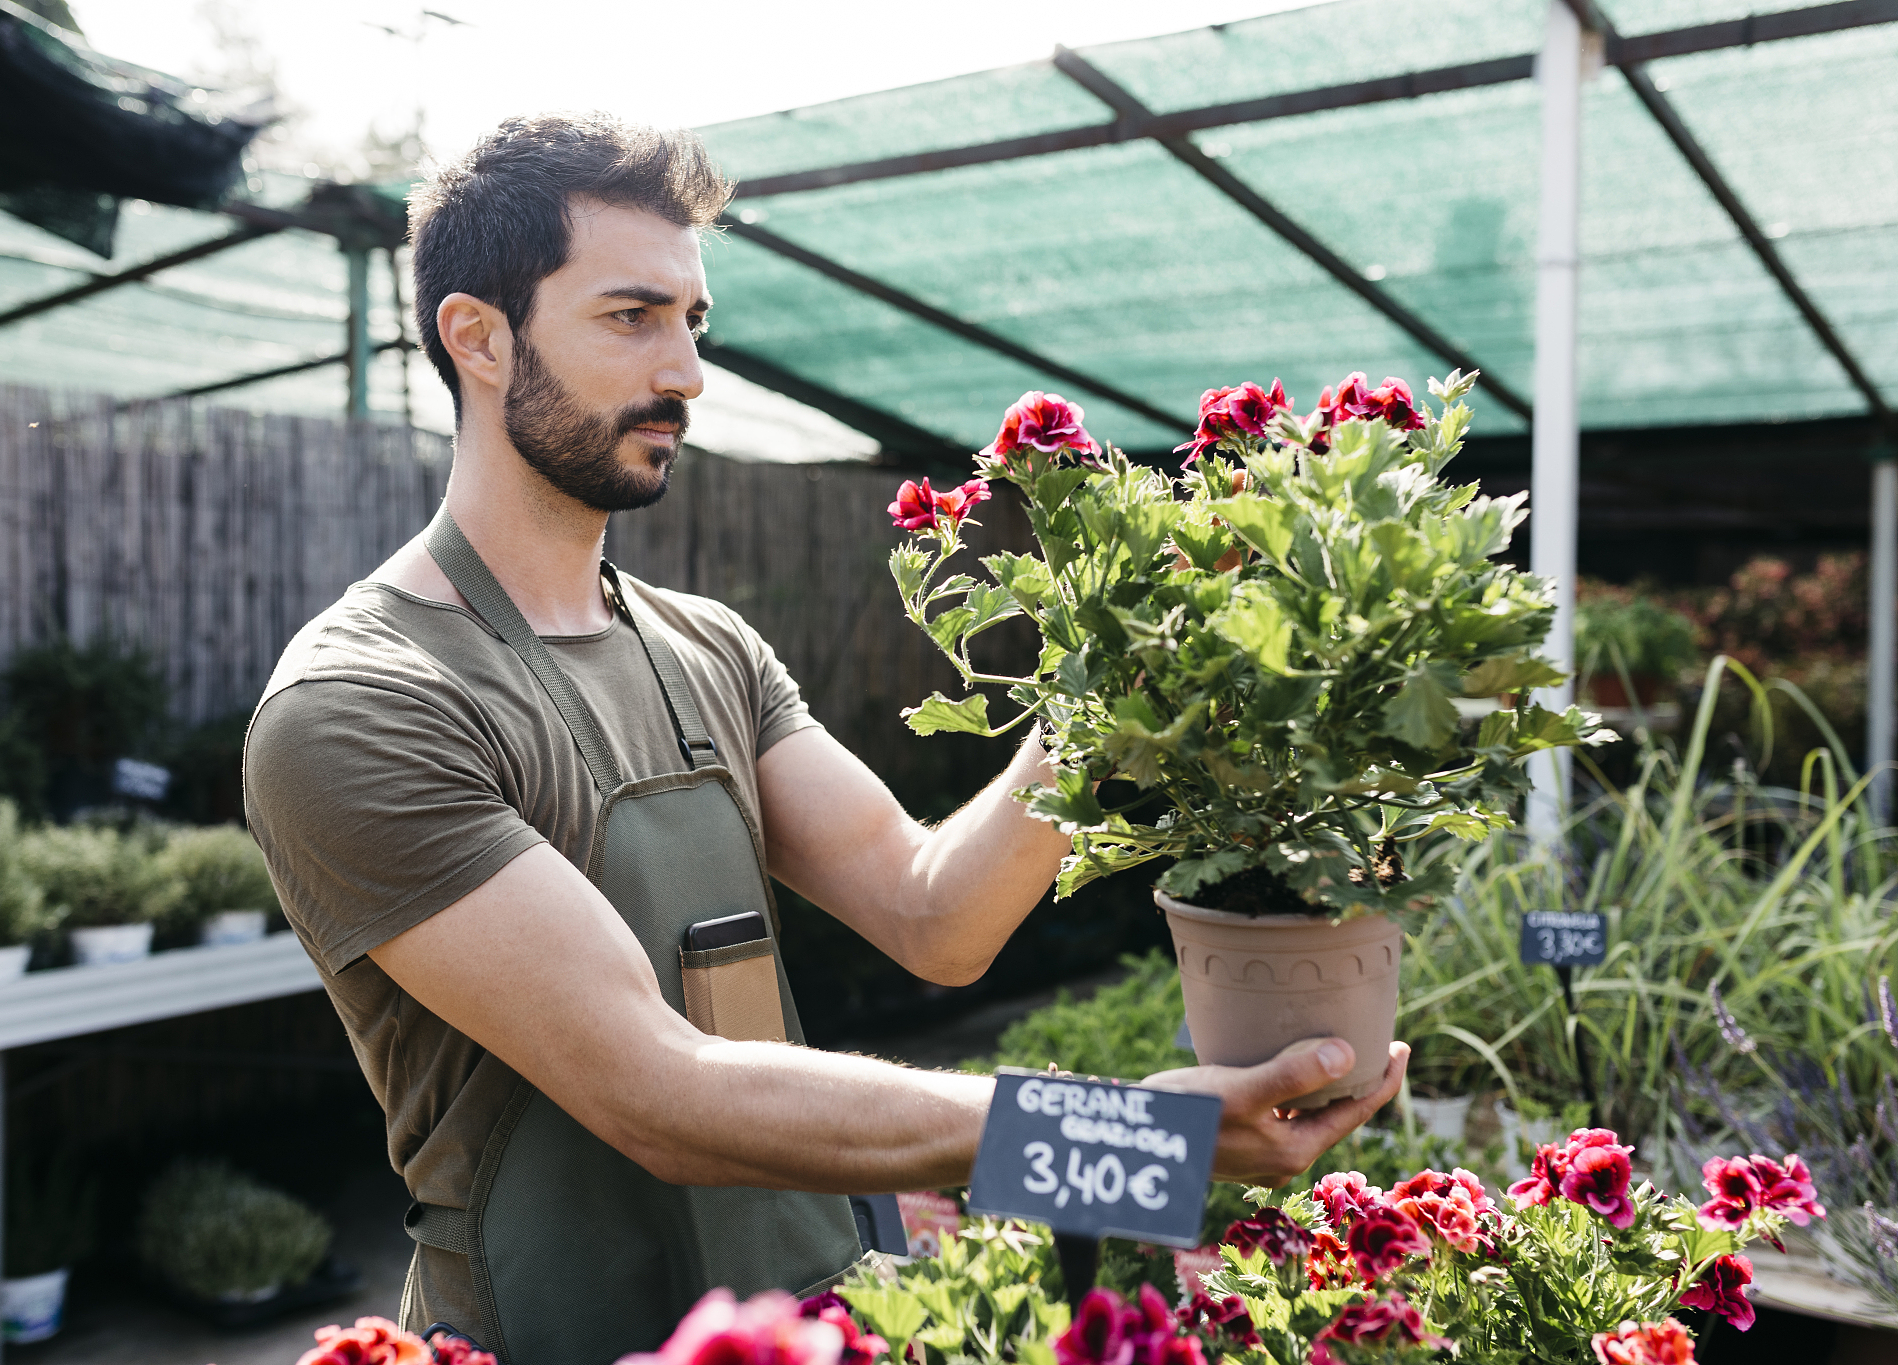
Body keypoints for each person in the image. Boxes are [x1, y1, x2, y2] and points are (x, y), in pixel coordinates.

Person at [243, 111, 1408, 1365]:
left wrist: (1119, 684)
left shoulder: (707, 649)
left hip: (809, 1317)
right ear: (477, 336)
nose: (686, 373)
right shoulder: (363, 705)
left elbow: (933, 917)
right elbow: (661, 1097)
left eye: (693, 322)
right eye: (631, 318)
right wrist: (1132, 1147)